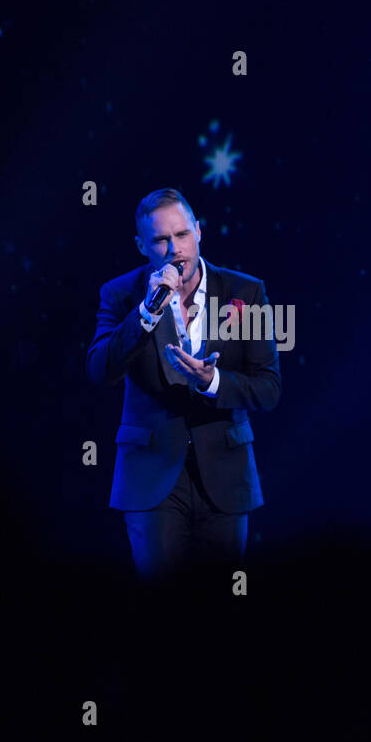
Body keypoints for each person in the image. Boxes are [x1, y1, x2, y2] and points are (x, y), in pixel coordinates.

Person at [87, 188, 281, 584]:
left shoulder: (246, 293)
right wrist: (148, 310)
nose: (174, 249)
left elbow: (269, 387)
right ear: (143, 245)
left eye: (181, 235)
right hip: (150, 478)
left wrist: (213, 381)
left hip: (225, 478)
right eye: (160, 239)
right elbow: (99, 371)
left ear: (198, 231)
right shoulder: (122, 295)